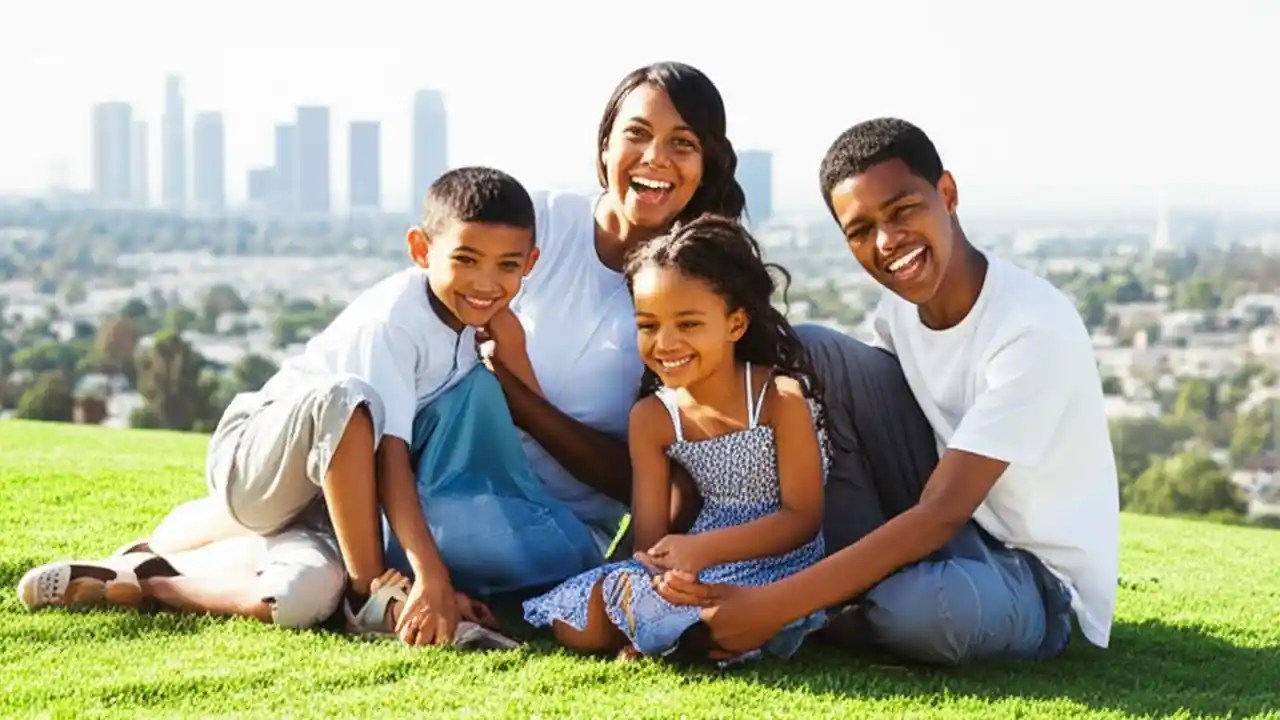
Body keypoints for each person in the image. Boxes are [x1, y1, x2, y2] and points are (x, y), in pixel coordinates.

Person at [18, 166, 573, 647]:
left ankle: (147, 578)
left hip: (331, 501)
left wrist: (512, 350)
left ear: (530, 263)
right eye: (466, 259)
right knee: (346, 399)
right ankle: (366, 595)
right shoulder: (395, 321)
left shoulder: (475, 325)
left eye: (507, 266)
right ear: (421, 249)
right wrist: (428, 576)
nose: (485, 282)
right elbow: (391, 459)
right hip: (260, 459)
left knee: (299, 599)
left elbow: (485, 438)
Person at [654, 118, 1120, 666]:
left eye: (903, 211)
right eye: (860, 230)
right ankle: (783, 584)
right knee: (810, 354)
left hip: (1034, 576)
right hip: (935, 519)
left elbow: (941, 510)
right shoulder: (898, 309)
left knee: (925, 614)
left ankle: (810, 606)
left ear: (947, 194)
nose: (886, 242)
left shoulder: (1030, 326)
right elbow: (857, 438)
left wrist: (773, 608)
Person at [523, 215, 829, 664]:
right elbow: (648, 543)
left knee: (721, 609)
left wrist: (703, 550)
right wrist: (666, 576)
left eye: (688, 325)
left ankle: (682, 634)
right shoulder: (652, 418)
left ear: (735, 325)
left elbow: (801, 520)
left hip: (778, 556)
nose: (665, 343)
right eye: (648, 325)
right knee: (577, 621)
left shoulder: (779, 398)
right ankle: (675, 634)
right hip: (692, 558)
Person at [486, 61, 749, 553]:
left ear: (706, 165)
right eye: (637, 134)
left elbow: (670, 485)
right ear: (605, 144)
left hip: (564, 530)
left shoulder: (709, 288)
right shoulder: (538, 221)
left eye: (682, 143)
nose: (655, 158)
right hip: (452, 475)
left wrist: (519, 400)